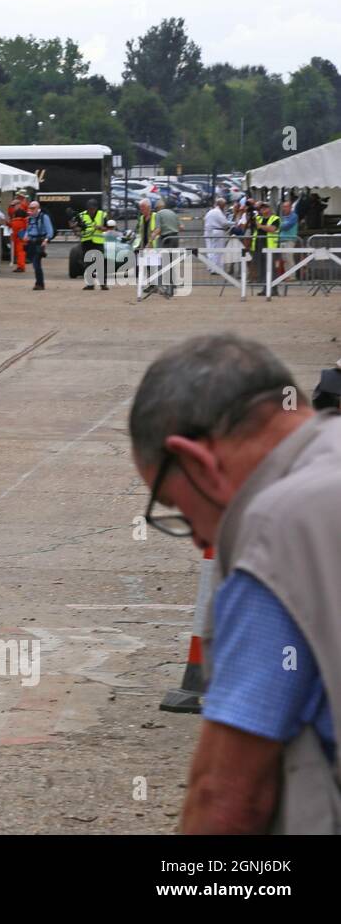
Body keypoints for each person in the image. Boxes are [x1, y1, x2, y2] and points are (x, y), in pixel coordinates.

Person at [128, 333, 341, 834]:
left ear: (197, 459)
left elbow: (228, 798)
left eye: (177, 509)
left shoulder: (280, 527)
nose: (200, 536)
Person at [20, 200, 54, 291]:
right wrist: (26, 236)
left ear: (38, 208)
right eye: (30, 208)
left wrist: (46, 240)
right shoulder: (30, 218)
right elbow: (28, 229)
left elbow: (50, 231)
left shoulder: (44, 217)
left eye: (33, 208)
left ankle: (39, 284)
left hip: (40, 242)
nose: (31, 210)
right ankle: (39, 283)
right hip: (31, 242)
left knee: (36, 263)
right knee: (35, 263)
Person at [76, 197, 108, 290]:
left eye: (93, 208)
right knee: (87, 263)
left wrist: (101, 228)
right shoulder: (81, 215)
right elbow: (76, 228)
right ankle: (90, 284)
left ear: (96, 208)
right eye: (89, 208)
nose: (91, 210)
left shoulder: (102, 214)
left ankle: (103, 284)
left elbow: (107, 227)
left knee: (100, 263)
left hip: (98, 242)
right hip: (86, 241)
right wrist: (78, 230)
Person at [250, 201, 281, 296]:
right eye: (261, 208)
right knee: (262, 269)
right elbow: (249, 223)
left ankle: (274, 289)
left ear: (270, 209)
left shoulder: (275, 218)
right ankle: (265, 289)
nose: (263, 209)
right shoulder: (257, 218)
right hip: (258, 246)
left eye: (265, 207)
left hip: (270, 247)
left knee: (271, 269)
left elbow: (272, 229)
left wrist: (260, 226)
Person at [203, 197, 233, 274]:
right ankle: (216, 269)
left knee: (210, 250)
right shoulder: (218, 212)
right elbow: (224, 223)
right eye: (224, 205)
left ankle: (210, 267)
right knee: (218, 251)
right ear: (221, 205)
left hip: (208, 232)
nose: (225, 206)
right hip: (217, 232)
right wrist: (234, 223)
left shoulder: (210, 212)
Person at [275, 199, 299, 280]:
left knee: (289, 258)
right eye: (283, 207)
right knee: (284, 259)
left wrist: (279, 225)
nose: (284, 208)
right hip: (282, 240)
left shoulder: (294, 216)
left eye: (286, 207)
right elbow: (282, 226)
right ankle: (287, 276)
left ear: (290, 207)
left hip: (290, 240)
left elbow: (286, 226)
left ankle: (292, 276)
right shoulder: (284, 217)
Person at [8, 192, 29, 272]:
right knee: (19, 251)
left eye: (14, 206)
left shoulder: (22, 211)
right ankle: (20, 266)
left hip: (20, 234)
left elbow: (20, 223)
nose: (13, 207)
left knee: (20, 251)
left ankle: (21, 266)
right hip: (18, 234)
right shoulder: (18, 212)